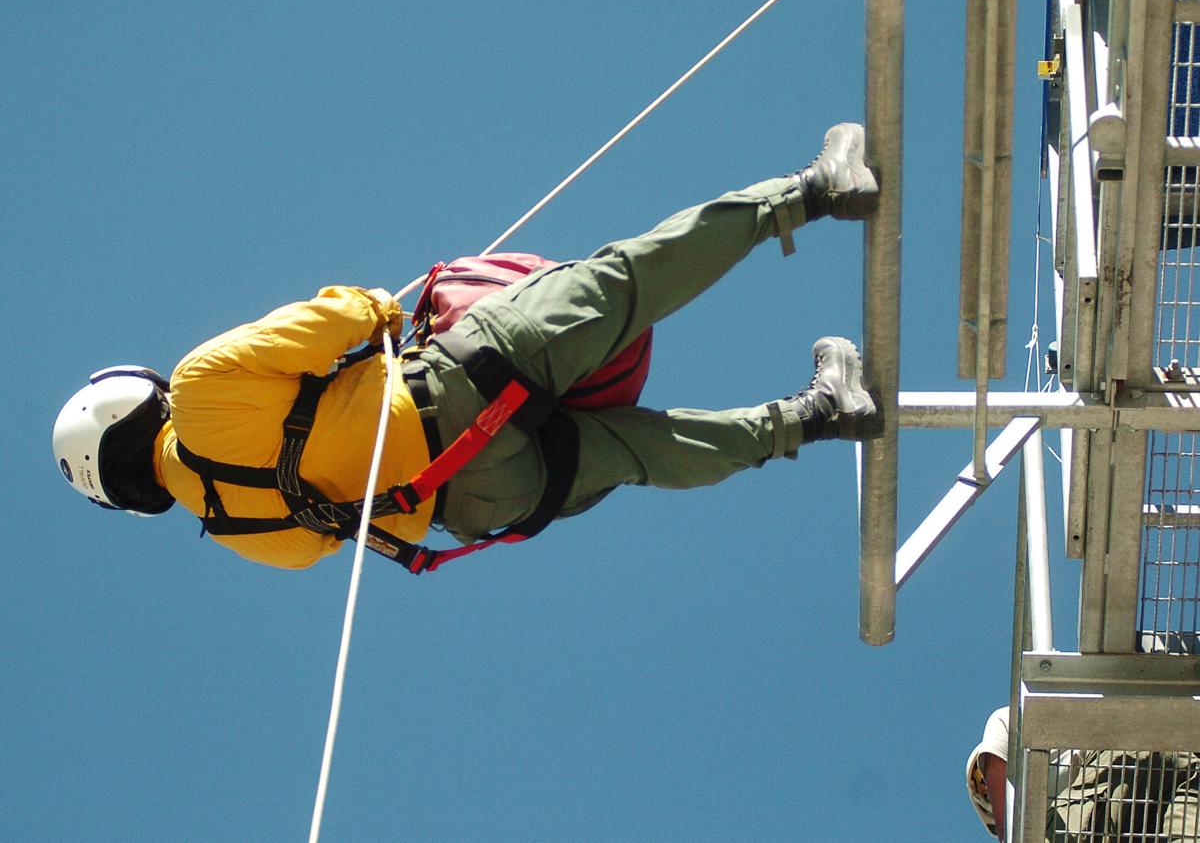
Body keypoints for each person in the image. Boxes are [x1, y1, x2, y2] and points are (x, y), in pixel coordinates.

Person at [52, 123, 882, 571]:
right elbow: (342, 319)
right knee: (626, 281)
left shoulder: (237, 530)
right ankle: (811, 193)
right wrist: (375, 306)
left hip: (479, 500)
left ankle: (813, 416)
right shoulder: (197, 388)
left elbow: (316, 544)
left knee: (641, 452)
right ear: (125, 402)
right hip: (454, 389)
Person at [967, 706, 1200, 841]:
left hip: (1123, 759)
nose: (987, 787)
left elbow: (994, 758)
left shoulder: (1006, 724)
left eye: (984, 781)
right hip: (1173, 757)